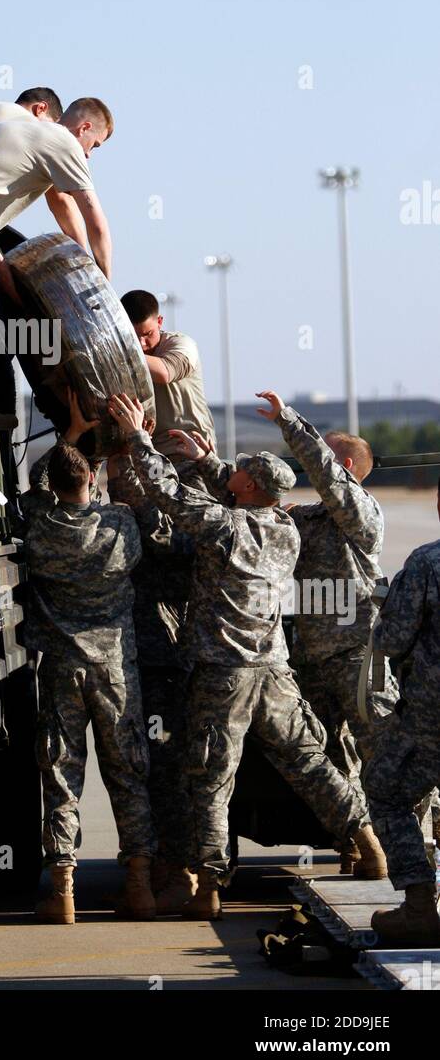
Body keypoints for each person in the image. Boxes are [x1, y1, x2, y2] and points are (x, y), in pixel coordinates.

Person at [106, 392, 387, 920]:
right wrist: (210, 462)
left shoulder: (226, 528)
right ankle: (367, 841)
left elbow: (169, 494)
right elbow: (243, 495)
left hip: (224, 674)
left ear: (251, 487)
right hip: (275, 671)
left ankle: (210, 888)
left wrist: (139, 437)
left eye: (239, 471)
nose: (230, 472)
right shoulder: (287, 530)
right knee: (310, 762)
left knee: (211, 780)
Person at [20, 391, 156, 923]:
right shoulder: (119, 524)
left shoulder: (39, 526)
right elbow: (140, 511)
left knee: (61, 774)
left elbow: (36, 487)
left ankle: (63, 890)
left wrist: (72, 434)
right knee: (129, 772)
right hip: (116, 670)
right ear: (93, 480)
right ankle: (140, 885)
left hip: (62, 669)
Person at [256, 390, 399, 873]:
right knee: (329, 755)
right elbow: (257, 502)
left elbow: (324, 473)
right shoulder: (310, 516)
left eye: (326, 454)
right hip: (313, 657)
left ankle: (408, 840)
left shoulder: (362, 514)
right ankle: (356, 841)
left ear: (346, 466)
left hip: (360, 653)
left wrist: (289, 423)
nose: (311, 464)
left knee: (381, 747)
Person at [106, 447, 195, 913]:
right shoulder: (146, 526)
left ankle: (179, 871)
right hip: (141, 663)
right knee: (147, 771)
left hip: (159, 665)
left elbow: (166, 541)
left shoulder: (164, 532)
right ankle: (161, 868)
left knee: (164, 773)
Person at [364, 485, 440, 945]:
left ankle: (419, 907)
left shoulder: (428, 562)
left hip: (430, 717)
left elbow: (391, 641)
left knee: (385, 790)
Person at [0, 97, 115, 301]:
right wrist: (105, 286)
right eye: (94, 145)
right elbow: (96, 224)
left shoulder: (32, 131)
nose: (89, 155)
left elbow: (61, 206)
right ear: (84, 128)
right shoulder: (66, 142)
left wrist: (82, 259)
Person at [120, 290, 216, 464]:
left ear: (159, 322)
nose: (141, 343)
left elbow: (165, 373)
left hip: (192, 453)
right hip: (152, 455)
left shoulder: (181, 344)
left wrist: (121, 351)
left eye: (148, 334)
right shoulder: (122, 357)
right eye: (133, 336)